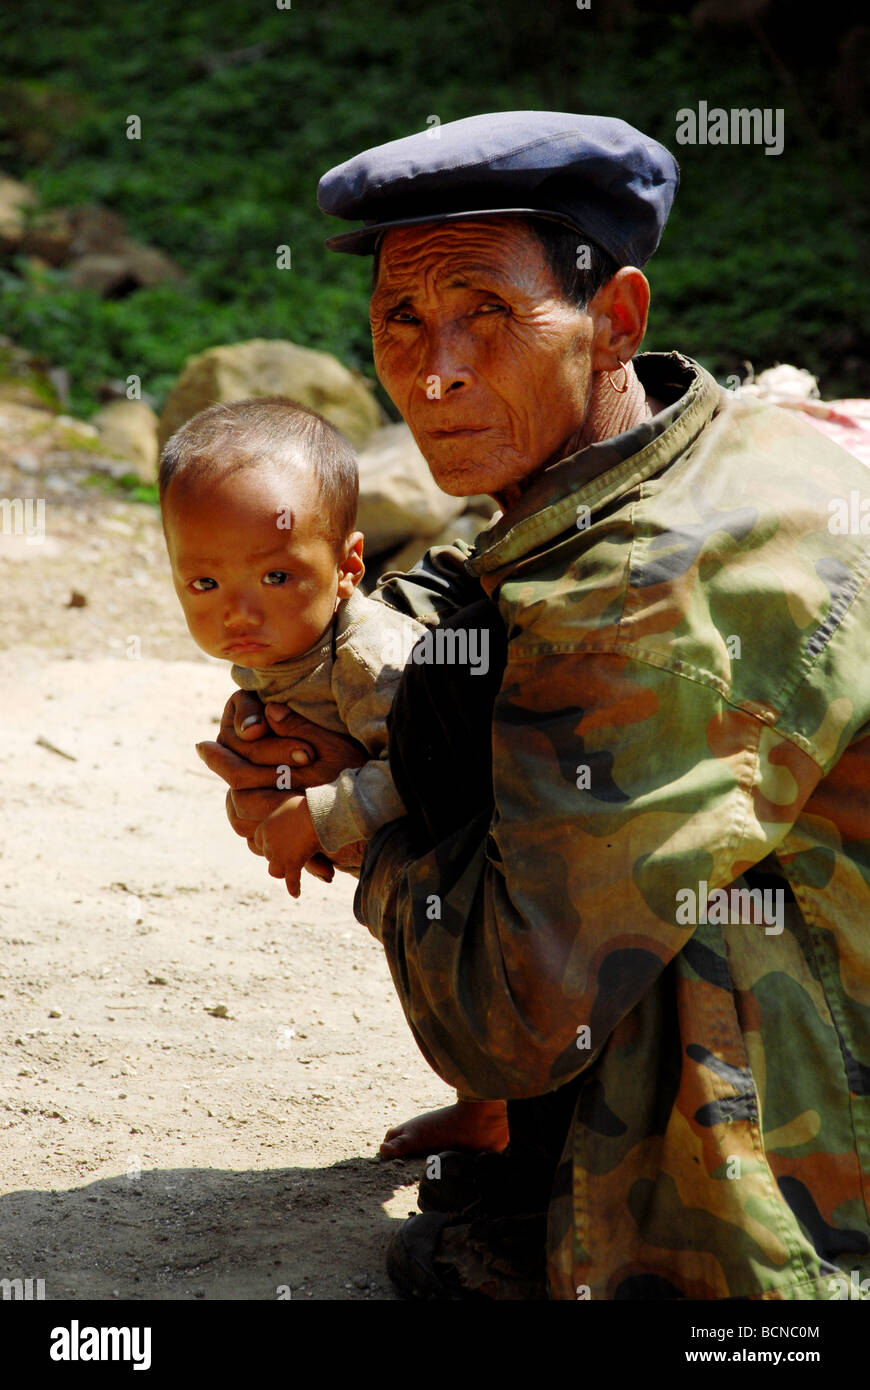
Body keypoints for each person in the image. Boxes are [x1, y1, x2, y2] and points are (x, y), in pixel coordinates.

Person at [198, 112, 870, 1300]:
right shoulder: (699, 436)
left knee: (484, 753)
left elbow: (506, 1017)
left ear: (615, 319)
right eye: (402, 317)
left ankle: (636, 1218)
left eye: (487, 314)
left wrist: (354, 820)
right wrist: (325, 678)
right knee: (452, 679)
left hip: (834, 1102)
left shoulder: (650, 599)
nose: (434, 368)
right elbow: (486, 575)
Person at [159, 393, 510, 1150]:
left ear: (350, 566)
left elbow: (426, 767)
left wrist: (315, 817)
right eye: (205, 585)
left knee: (450, 968)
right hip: (404, 862)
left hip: (470, 855)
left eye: (276, 579)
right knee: (420, 965)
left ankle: (493, 1114)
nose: (238, 615)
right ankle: (485, 1109)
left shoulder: (371, 660)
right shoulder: (280, 647)